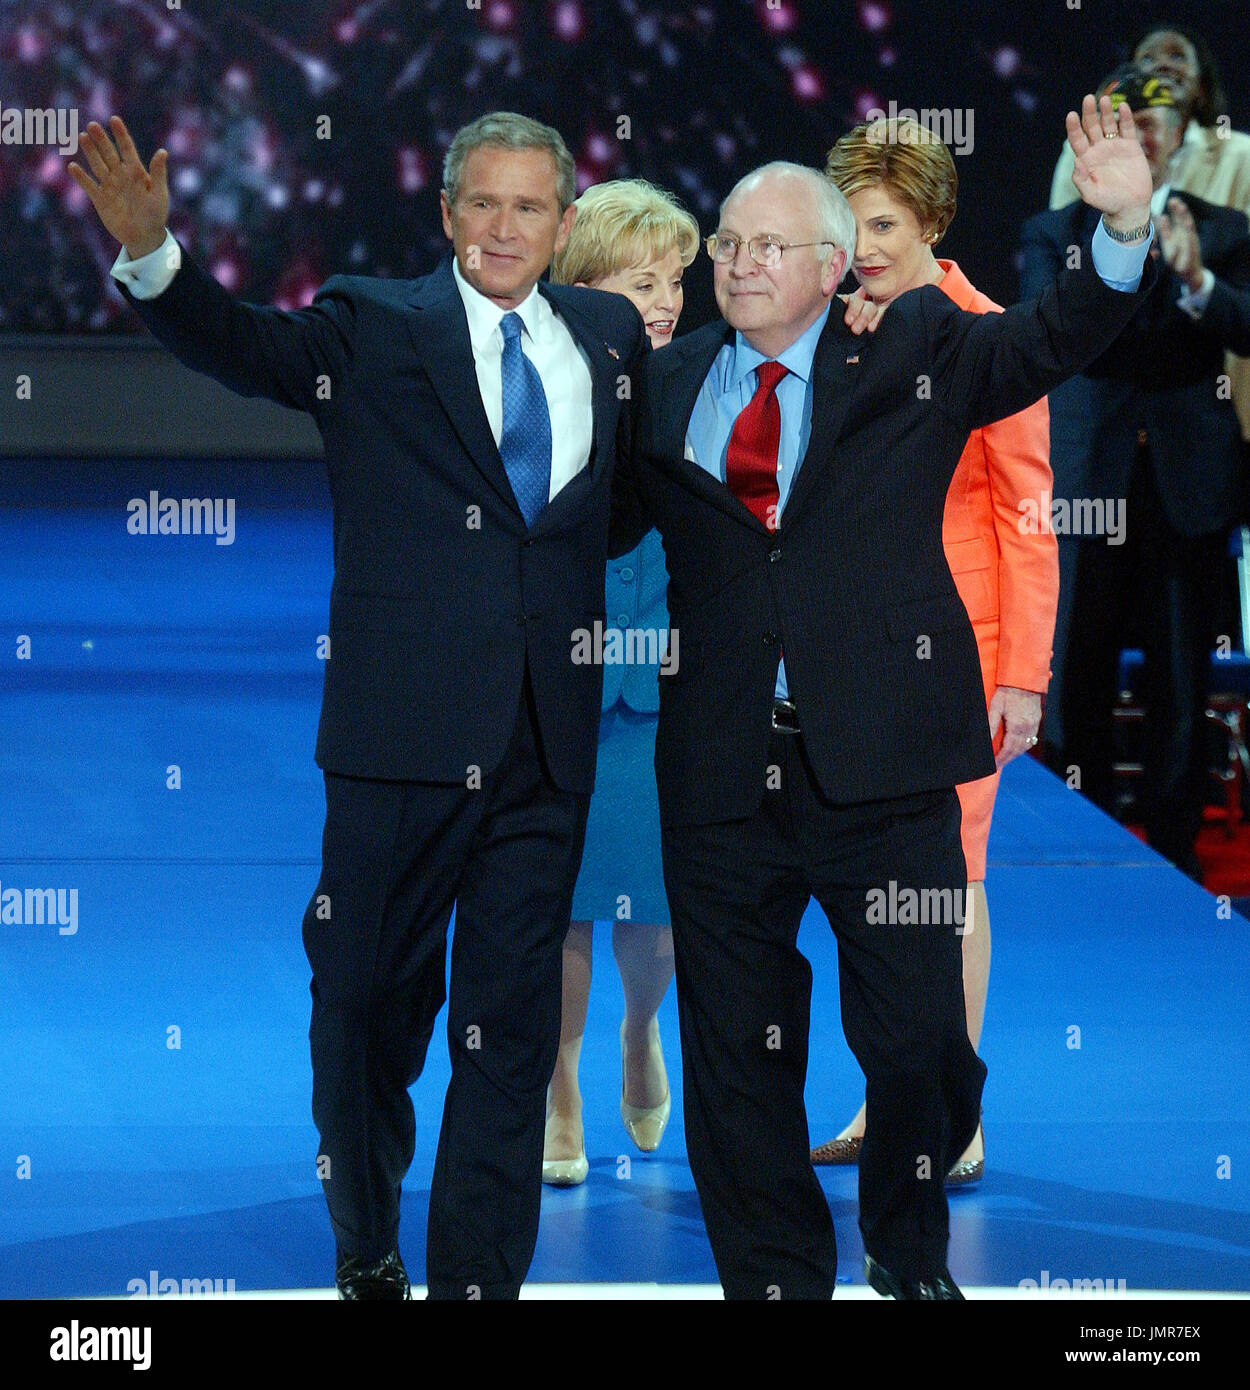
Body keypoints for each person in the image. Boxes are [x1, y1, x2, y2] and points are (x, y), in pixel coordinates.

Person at [69, 110, 647, 1299]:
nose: (500, 228)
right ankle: (368, 1238)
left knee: (511, 1030)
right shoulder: (375, 326)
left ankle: (479, 1279)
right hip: (400, 744)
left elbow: (618, 507)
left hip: (545, 746)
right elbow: (244, 347)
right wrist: (154, 257)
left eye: (526, 207)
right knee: (369, 1009)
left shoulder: (604, 332)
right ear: (444, 214)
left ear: (561, 223)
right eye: (478, 203)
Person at [609, 95, 1157, 1299]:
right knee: (736, 1060)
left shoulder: (911, 347)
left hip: (888, 769)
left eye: (766, 247)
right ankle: (773, 1277)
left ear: (827, 266)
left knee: (916, 1047)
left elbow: (1049, 340)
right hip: (717, 783)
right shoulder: (663, 383)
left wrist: (1119, 229)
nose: (738, 265)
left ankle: (906, 1257)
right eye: (725, 245)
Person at [808, 116, 1058, 1185]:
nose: (861, 245)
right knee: (874, 888)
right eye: (849, 222)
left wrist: (1021, 678)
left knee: (946, 882)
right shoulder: (824, 327)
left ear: (931, 223)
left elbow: (1029, 516)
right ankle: (885, 1098)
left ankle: (952, 1117)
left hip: (959, 656)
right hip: (841, 653)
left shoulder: (986, 333)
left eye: (883, 223)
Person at [1024, 70, 1250, 878]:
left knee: (1181, 667)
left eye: (1154, 122)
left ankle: (1179, 849)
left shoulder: (1222, 230)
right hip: (1092, 481)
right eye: (1125, 120)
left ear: (1179, 134)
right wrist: (1132, 254)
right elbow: (1059, 337)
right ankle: (1080, 841)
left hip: (1187, 486)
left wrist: (1197, 283)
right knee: (1075, 660)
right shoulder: (1055, 234)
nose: (1141, 134)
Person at [541, 179, 699, 1184]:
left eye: (677, 280)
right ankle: (558, 1078)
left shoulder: (703, 378)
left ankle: (639, 1036)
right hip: (554, 681)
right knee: (555, 907)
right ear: (584, 281)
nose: (667, 301)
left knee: (651, 917)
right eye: (644, 280)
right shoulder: (536, 375)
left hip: (666, 685)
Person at [1048, 23, 1250, 441]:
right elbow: (1062, 245)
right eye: (1149, 57)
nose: (1162, 64)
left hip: (1212, 395)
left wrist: (1197, 277)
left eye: (1178, 55)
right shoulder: (1082, 149)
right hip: (1103, 405)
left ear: (1203, 78)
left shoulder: (1241, 154)